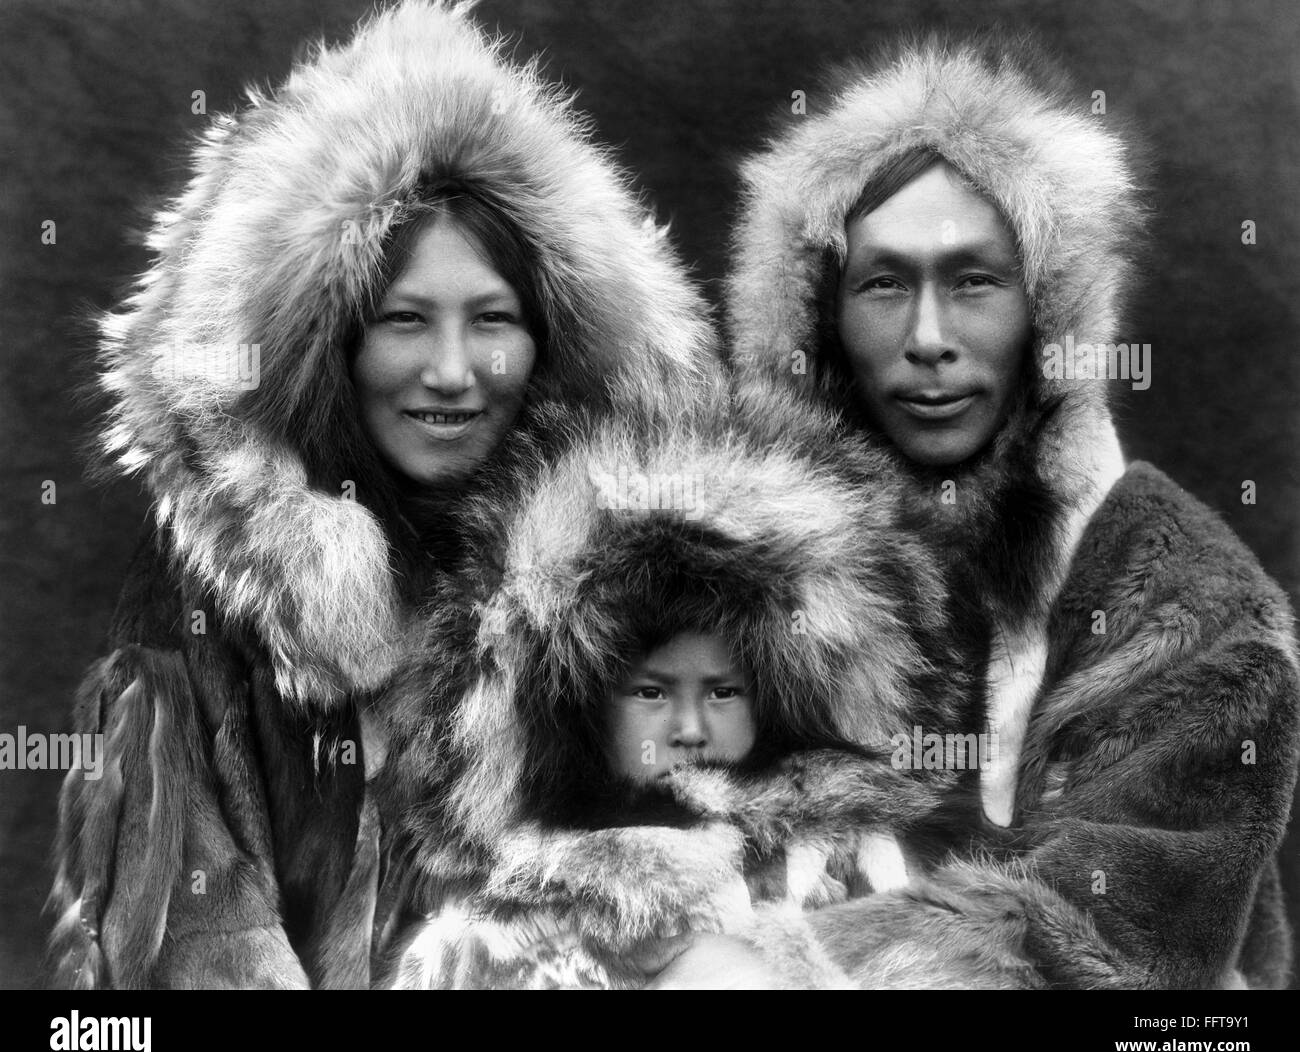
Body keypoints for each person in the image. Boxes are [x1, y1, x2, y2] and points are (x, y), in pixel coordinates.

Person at [46, 0, 715, 990]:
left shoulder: (627, 593)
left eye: (491, 319)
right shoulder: (218, 602)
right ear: (335, 345)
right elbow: (165, 957)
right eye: (405, 320)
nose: (452, 370)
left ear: (548, 343)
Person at [697, 32, 1300, 989]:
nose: (929, 339)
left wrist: (766, 965)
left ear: (1047, 311)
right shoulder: (730, 564)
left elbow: (1113, 946)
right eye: (884, 283)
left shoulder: (1190, 593)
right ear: (816, 313)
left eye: (974, 281)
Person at [370, 382, 983, 989]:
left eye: (722, 693)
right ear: (580, 714)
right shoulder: (488, 936)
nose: (690, 728)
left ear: (776, 707)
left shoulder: (850, 868)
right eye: (652, 693)